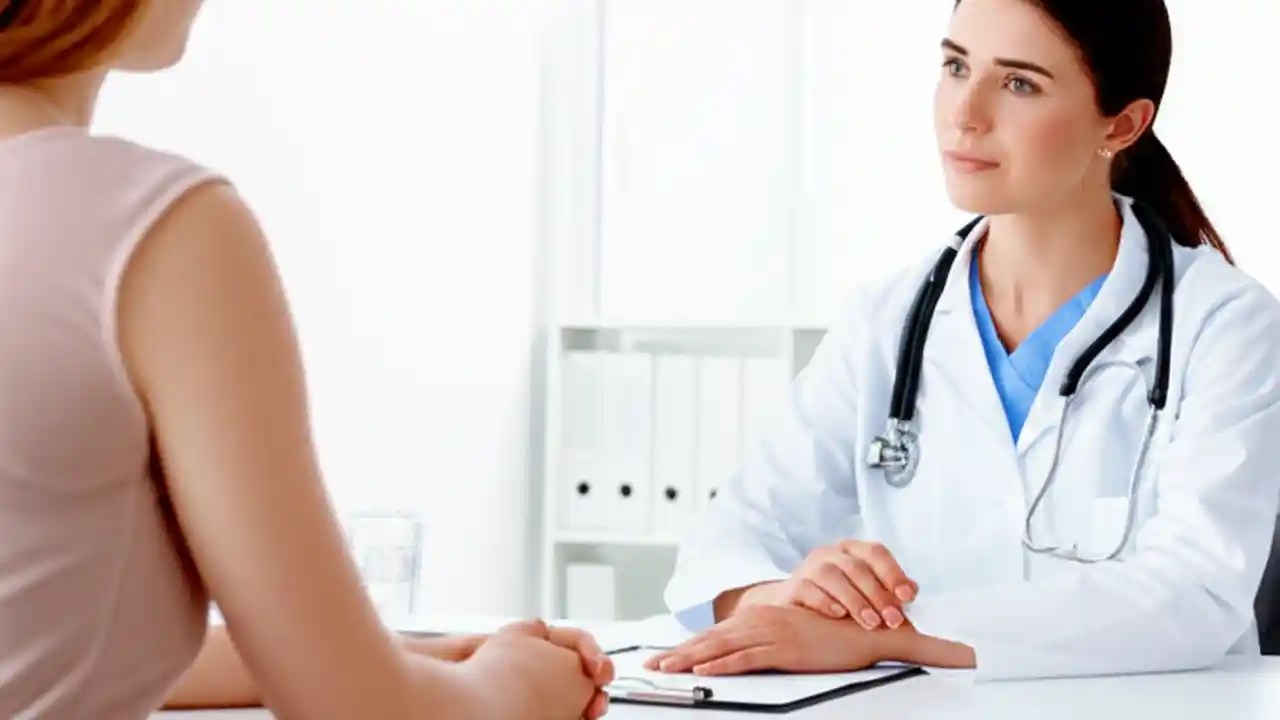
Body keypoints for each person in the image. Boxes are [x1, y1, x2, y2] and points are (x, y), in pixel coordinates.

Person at [0, 2, 612, 718]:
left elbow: (37, 636)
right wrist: (520, 687)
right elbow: (357, 711)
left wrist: (400, 657)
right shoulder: (146, 226)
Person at [651, 0, 1280, 681]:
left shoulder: (1224, 325)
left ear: (1122, 125)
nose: (964, 113)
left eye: (1019, 84)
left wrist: (890, 637)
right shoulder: (887, 321)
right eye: (955, 66)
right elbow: (731, 536)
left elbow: (1194, 596)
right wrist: (786, 599)